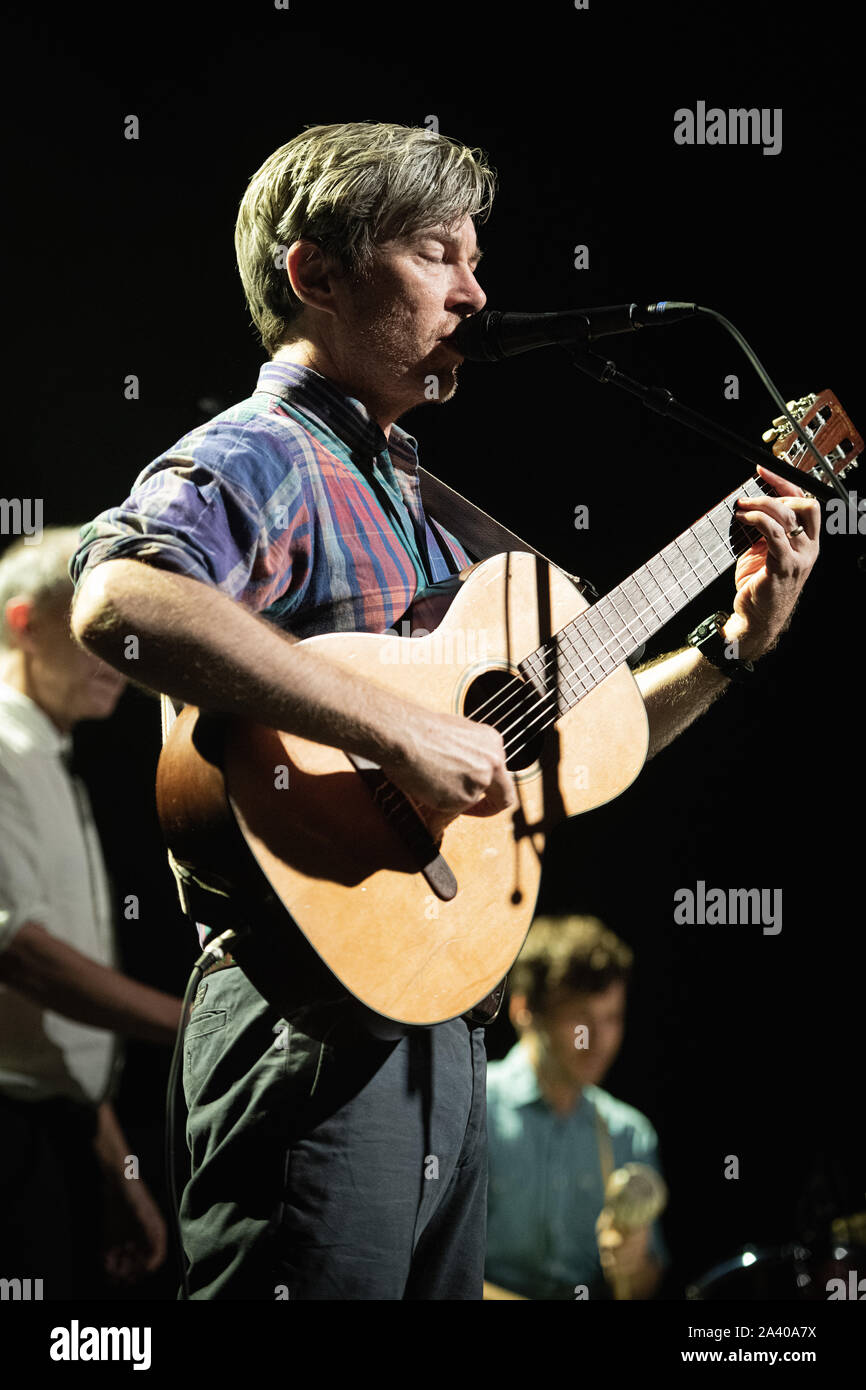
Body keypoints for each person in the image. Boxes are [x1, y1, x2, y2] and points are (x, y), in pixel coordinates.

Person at [68, 122, 820, 1300]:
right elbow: (119, 598)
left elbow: (571, 738)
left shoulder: (414, 496)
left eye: (476, 257)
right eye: (436, 254)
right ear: (315, 274)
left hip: (441, 1019)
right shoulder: (268, 451)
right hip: (307, 1028)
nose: (476, 292)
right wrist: (396, 731)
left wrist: (730, 644)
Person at [0, 528, 183, 1298]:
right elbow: (22, 957)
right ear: (22, 622)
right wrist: (194, 1026)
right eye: (92, 628)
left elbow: (44, 1025)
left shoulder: (46, 755)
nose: (119, 657)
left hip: (57, 1129)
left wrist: (115, 1170)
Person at [484, 914, 667, 1300]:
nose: (599, 1039)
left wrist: (633, 1266)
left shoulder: (628, 1132)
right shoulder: (473, 1108)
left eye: (612, 1018)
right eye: (581, 1019)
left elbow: (650, 1281)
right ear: (523, 1010)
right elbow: (428, 1267)